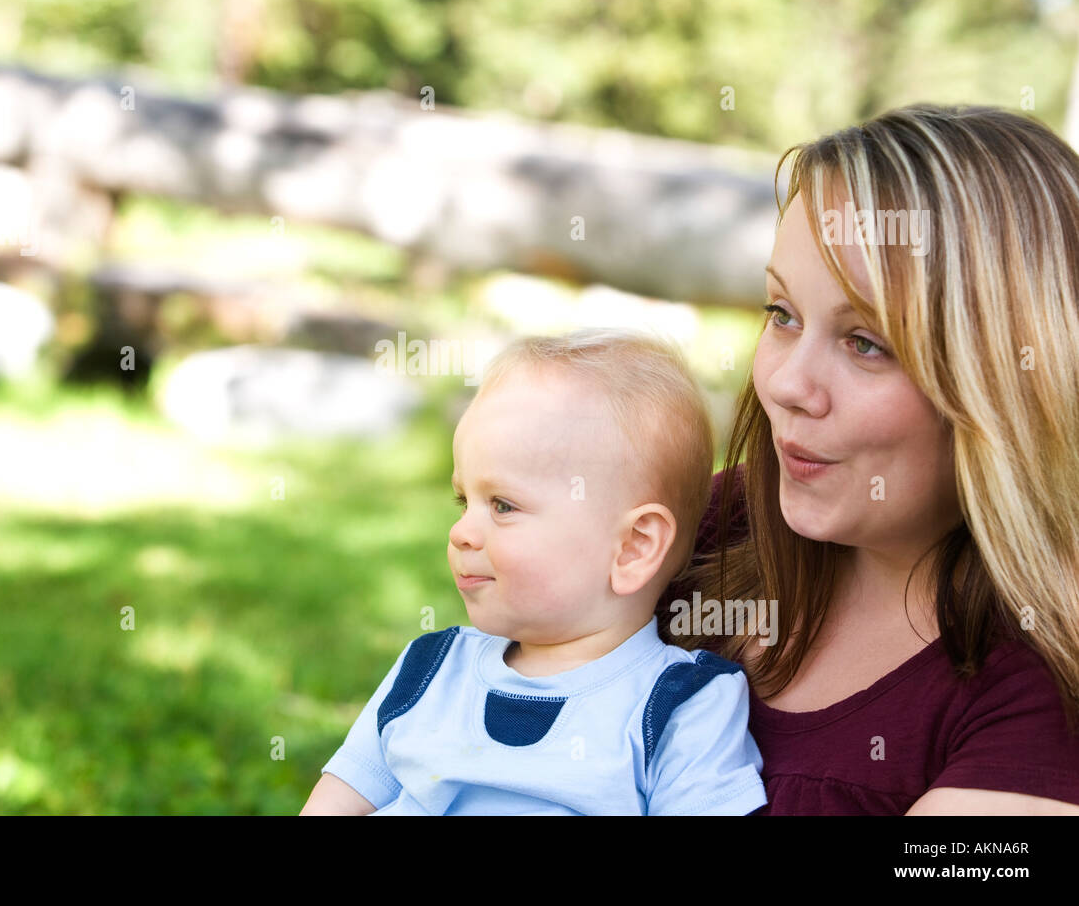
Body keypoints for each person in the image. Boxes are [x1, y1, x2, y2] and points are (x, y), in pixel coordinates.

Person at [660, 103, 1079, 814]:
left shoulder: (1041, 705)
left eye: (866, 343)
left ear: (1008, 385)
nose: (787, 385)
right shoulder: (718, 520)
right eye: (782, 314)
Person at [300, 330, 766, 814]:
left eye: (502, 505)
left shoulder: (678, 708)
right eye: (465, 501)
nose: (462, 531)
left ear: (633, 547)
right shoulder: (429, 671)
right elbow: (335, 803)